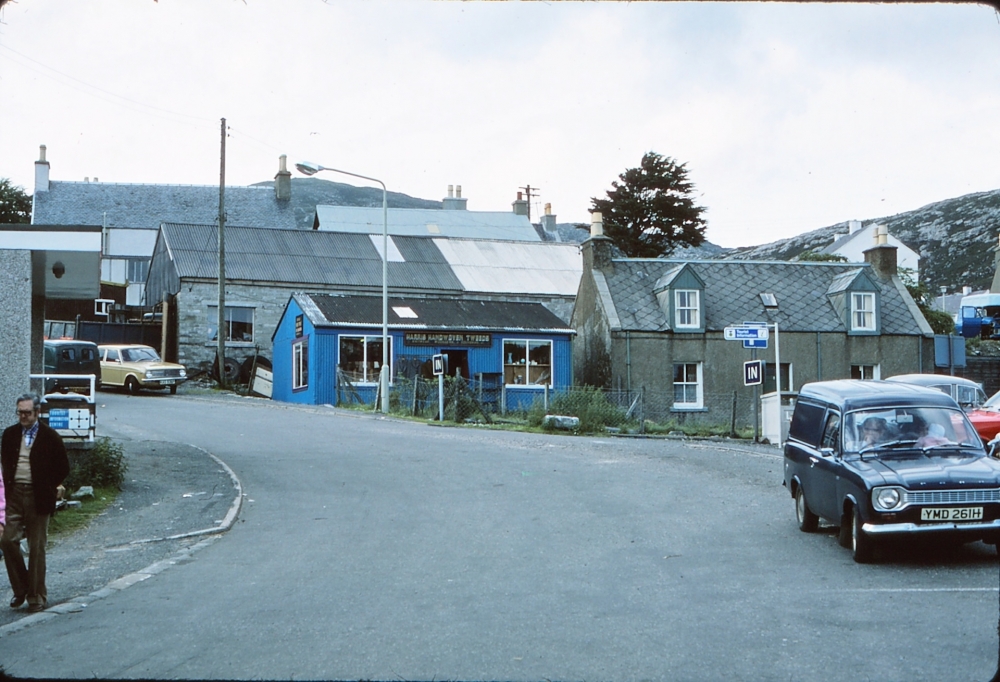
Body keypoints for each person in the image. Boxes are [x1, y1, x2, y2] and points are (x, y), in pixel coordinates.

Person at [0, 394, 68, 613]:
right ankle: (21, 589)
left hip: (39, 496)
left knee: (36, 547)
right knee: (8, 540)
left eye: (27, 413)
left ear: (37, 413)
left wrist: (50, 487)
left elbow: (63, 467)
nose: (23, 416)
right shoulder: (10, 435)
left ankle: (36, 595)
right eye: (20, 412)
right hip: (14, 494)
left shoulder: (50, 437)